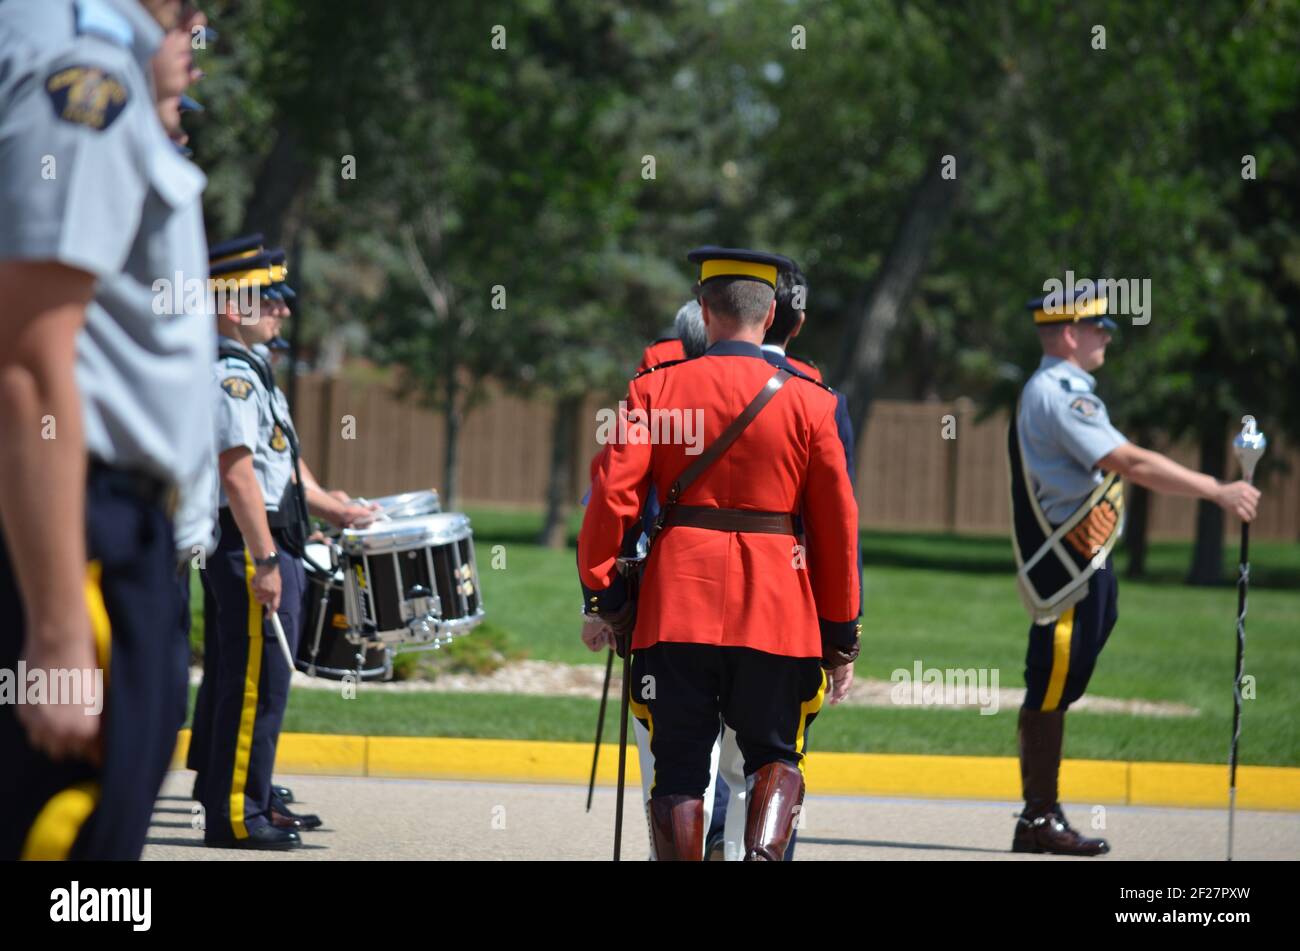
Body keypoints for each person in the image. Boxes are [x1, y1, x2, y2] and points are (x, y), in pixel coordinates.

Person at [0, 0, 212, 860]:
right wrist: (56, 637)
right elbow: (28, 361)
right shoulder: (81, 64)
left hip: (98, 530)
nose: (200, 30)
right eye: (193, 13)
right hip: (84, 540)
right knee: (79, 863)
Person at [579, 246, 861, 861]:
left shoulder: (655, 390)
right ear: (770, 317)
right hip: (778, 613)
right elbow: (838, 528)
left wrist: (606, 594)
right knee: (774, 759)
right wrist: (841, 632)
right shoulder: (813, 402)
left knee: (678, 767)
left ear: (703, 311)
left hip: (677, 607)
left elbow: (611, 497)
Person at [1009, 281, 1260, 855]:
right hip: (1067, 568)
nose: (1107, 338)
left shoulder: (1061, 388)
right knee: (1049, 686)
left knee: (1058, 685)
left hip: (1083, 562)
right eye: (1100, 328)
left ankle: (1040, 815)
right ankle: (1037, 817)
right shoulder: (1059, 392)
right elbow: (1127, 461)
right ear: (1071, 333)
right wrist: (1217, 490)